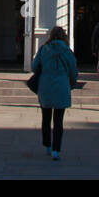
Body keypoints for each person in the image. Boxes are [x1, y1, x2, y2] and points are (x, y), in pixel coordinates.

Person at [32, 26, 78, 161]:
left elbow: (34, 66)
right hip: (62, 85)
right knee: (59, 121)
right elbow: (73, 70)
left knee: (45, 118)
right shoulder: (67, 51)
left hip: (45, 85)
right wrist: (72, 83)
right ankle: (56, 150)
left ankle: (47, 145)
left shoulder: (43, 49)